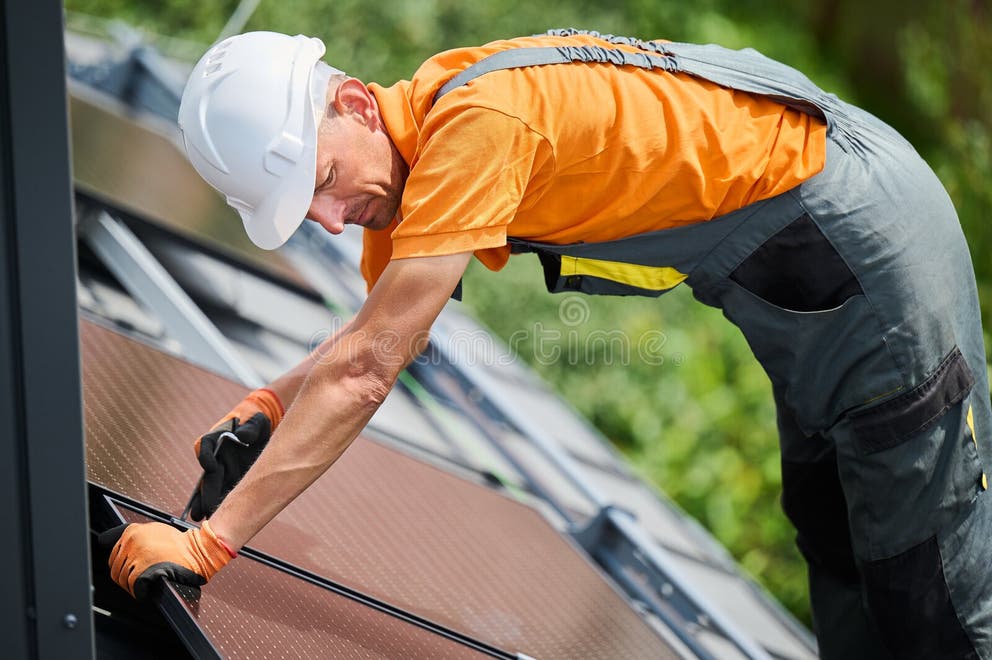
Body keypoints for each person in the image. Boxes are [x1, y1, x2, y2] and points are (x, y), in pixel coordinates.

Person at [102, 29, 992, 659]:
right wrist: (269, 400)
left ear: (353, 103)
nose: (331, 220)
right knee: (837, 536)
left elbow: (368, 374)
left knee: (927, 596)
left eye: (324, 182)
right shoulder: (416, 143)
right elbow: (374, 339)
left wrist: (214, 542)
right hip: (801, 277)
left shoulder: (475, 129)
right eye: (307, 210)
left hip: (865, 244)